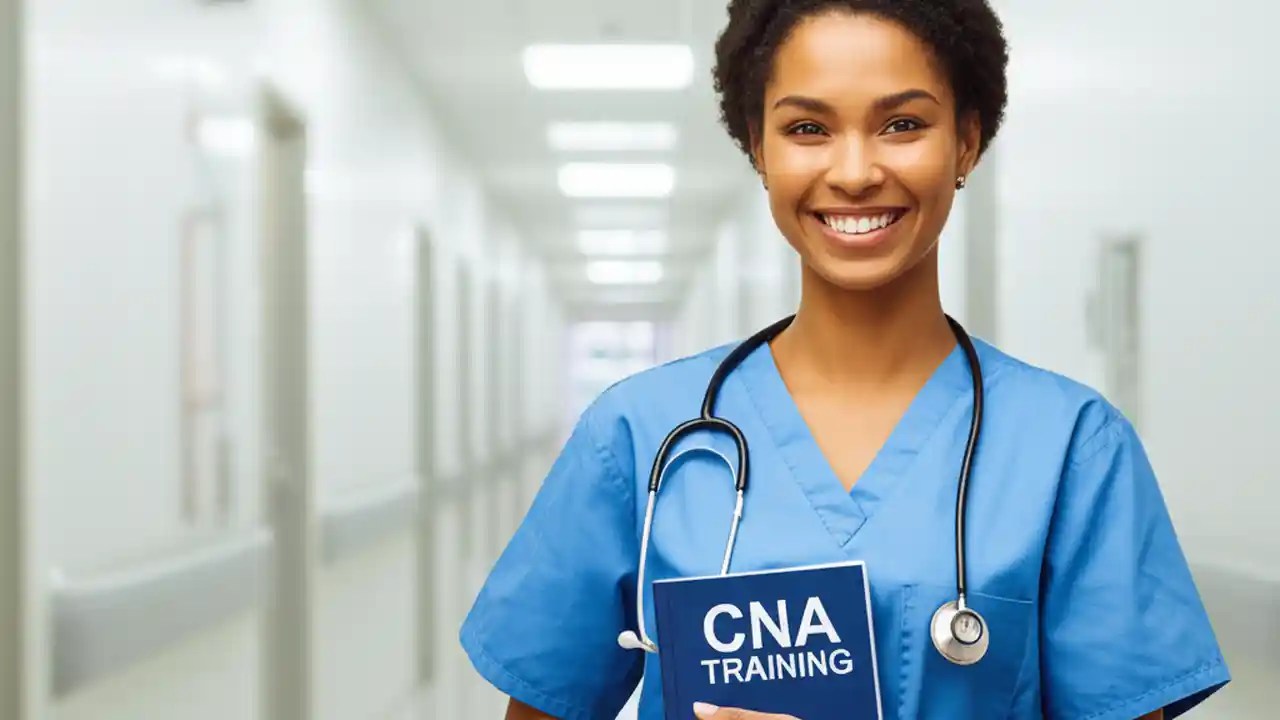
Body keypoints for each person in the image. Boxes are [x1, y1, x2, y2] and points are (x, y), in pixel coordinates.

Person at [460, 0, 1230, 718]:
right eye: (807, 129)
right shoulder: (638, 434)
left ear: (966, 141)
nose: (856, 171)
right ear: (758, 148)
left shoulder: (1073, 449)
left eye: (902, 124)